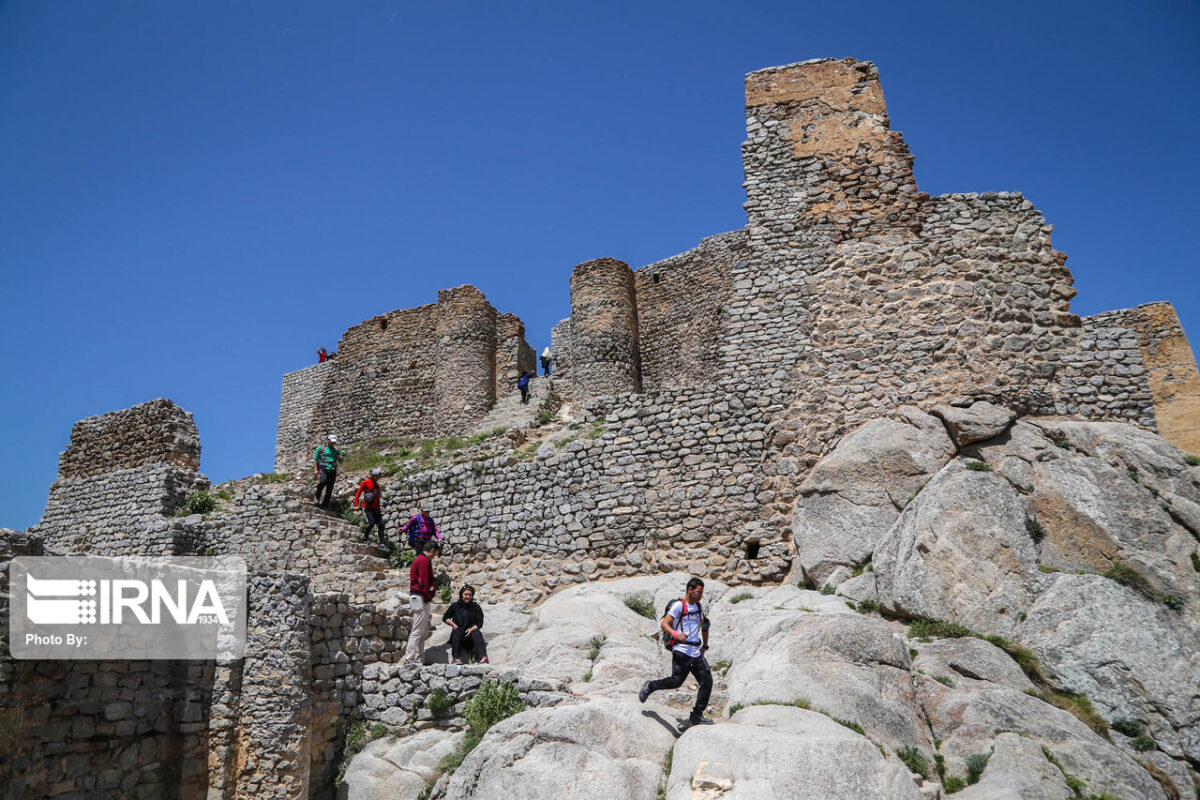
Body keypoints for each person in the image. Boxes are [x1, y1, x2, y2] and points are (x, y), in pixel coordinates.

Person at [638, 577, 712, 729]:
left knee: (707, 681)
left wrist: (705, 645)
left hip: (696, 651)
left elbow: (704, 626)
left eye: (702, 592)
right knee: (676, 681)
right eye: (698, 592)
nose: (701, 595)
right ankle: (650, 686)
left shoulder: (699, 607)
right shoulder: (679, 606)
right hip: (682, 651)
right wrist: (675, 634)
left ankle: (697, 716)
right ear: (690, 590)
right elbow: (664, 624)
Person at [403, 541, 439, 665]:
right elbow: (423, 581)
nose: (435, 556)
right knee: (418, 630)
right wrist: (428, 595)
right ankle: (409, 659)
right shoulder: (424, 561)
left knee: (422, 631)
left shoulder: (421, 559)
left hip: (421, 597)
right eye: (435, 553)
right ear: (432, 550)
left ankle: (419, 659)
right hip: (420, 597)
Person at [442, 584, 488, 664]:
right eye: (466, 594)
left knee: (477, 633)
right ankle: (456, 658)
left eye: (470, 595)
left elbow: (480, 622)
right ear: (461, 594)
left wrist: (471, 629)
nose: (468, 597)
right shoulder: (455, 606)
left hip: (471, 636)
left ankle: (483, 657)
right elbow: (445, 618)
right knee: (457, 631)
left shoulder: (476, 607)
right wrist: (454, 626)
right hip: (458, 635)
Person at [354, 468, 391, 550]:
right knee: (371, 523)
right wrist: (356, 505)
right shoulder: (365, 483)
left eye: (379, 477)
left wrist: (379, 510)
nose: (378, 478)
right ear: (373, 475)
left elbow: (377, 499)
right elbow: (358, 494)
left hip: (376, 509)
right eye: (377, 476)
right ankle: (365, 538)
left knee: (381, 524)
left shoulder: (377, 486)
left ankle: (382, 543)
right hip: (368, 508)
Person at [313, 434, 342, 508]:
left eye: (334, 442)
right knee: (323, 481)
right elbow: (315, 459)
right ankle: (318, 495)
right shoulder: (321, 448)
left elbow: (341, 460)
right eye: (332, 441)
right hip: (323, 468)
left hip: (332, 469)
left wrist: (340, 458)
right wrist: (316, 469)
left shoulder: (336, 450)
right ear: (328, 440)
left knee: (330, 488)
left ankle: (325, 505)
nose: (333, 443)